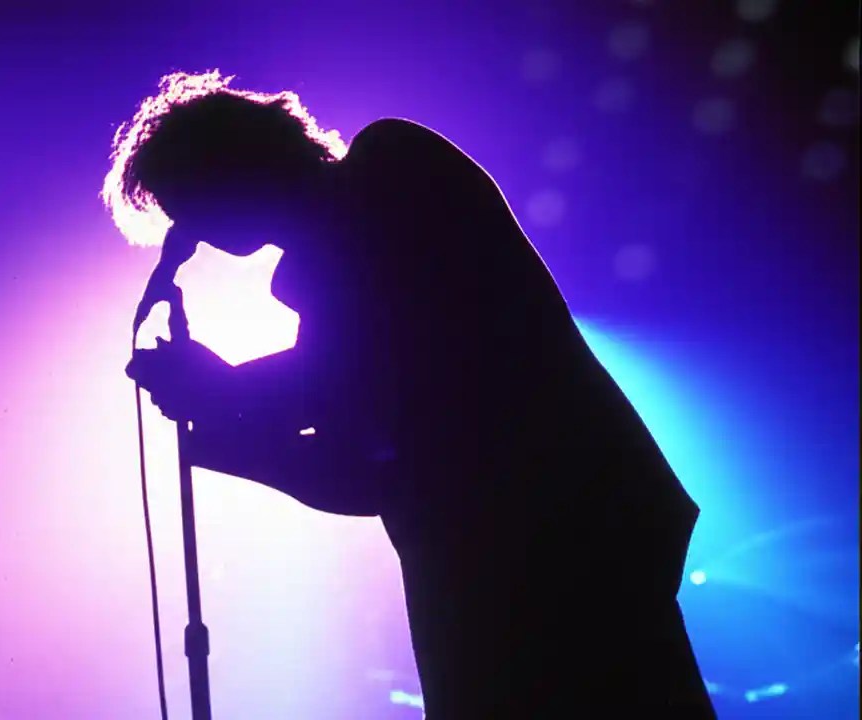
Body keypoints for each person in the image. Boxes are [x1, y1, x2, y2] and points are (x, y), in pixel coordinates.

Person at [106, 70, 716, 718]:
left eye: (187, 201)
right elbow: (365, 476)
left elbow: (346, 371)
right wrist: (222, 444)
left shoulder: (391, 166)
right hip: (479, 577)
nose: (193, 229)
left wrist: (226, 391)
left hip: (572, 547)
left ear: (230, 162)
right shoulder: (324, 282)